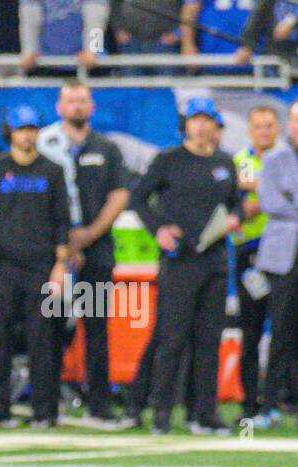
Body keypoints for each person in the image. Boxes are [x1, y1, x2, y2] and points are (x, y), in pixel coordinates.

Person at [128, 98, 241, 434]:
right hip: (180, 261)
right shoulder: (168, 160)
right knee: (172, 339)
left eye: (207, 119)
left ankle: (203, 412)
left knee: (209, 342)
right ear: (185, 124)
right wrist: (158, 228)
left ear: (216, 124)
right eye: (195, 119)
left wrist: (235, 216)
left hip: (215, 261)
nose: (201, 125)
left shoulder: (225, 162)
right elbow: (138, 196)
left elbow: (234, 200)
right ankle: (161, 412)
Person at [37, 78, 130, 425]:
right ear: (60, 107)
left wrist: (88, 235)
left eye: (82, 100)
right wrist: (63, 244)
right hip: (53, 256)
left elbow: (119, 196)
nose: (77, 106)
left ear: (91, 106)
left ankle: (99, 404)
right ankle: (45, 404)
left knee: (96, 328)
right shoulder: (46, 143)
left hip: (96, 252)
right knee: (49, 326)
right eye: (70, 101)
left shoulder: (106, 148)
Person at [0, 105, 71, 428]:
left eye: (31, 128)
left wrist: (60, 265)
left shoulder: (52, 171)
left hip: (41, 267)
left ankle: (45, 411)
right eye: (20, 129)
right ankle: (0, 408)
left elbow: (61, 221)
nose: (27, 134)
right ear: (9, 132)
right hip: (3, 266)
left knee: (42, 339)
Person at [232, 105, 280, 425]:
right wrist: (278, 194)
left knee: (285, 331)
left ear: (277, 129)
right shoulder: (238, 161)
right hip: (250, 254)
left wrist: (258, 191)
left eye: (269, 125)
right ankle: (249, 404)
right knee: (251, 330)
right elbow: (242, 211)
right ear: (250, 130)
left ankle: (276, 403)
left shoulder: (286, 161)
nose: (264, 131)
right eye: (258, 126)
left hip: (285, 254)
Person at [253, 101, 298, 429]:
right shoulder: (273, 159)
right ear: (290, 124)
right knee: (279, 331)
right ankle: (269, 404)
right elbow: (270, 202)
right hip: (283, 259)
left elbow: (285, 203)